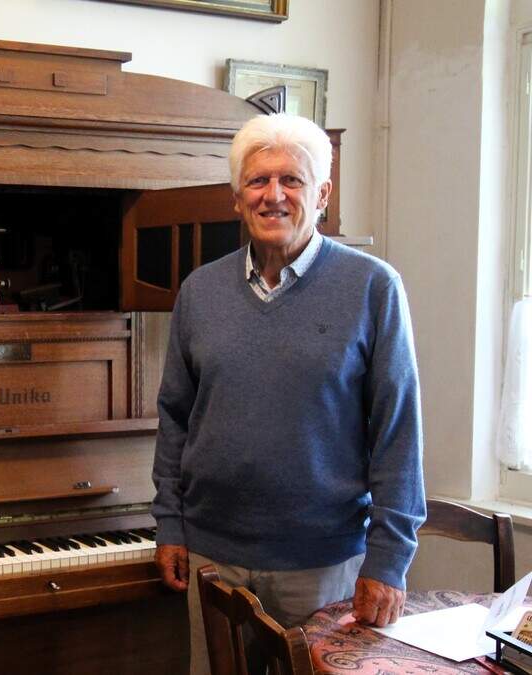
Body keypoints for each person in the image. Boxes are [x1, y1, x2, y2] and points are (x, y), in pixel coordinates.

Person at [150, 112, 425, 674]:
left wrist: (391, 560)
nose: (273, 195)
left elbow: (398, 432)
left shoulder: (374, 288)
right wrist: (170, 525)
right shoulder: (199, 292)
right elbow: (175, 418)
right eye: (257, 181)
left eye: (291, 181)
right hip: (213, 560)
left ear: (322, 193)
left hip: (325, 567)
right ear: (236, 197)